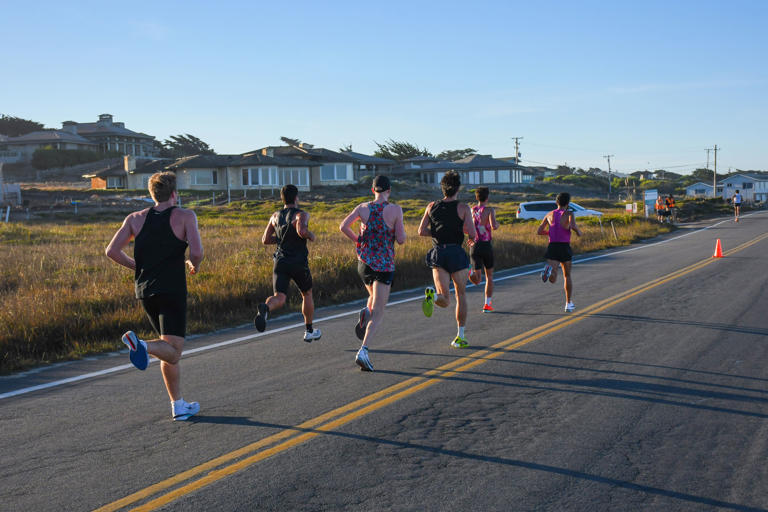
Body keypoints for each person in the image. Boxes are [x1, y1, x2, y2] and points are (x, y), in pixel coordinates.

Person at [105, 171, 204, 421]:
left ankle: (178, 405)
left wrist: (137, 267)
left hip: (145, 291)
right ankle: (141, 345)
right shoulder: (185, 215)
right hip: (171, 289)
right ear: (174, 194)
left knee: (166, 347)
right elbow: (198, 251)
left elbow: (112, 251)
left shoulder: (135, 219)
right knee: (174, 351)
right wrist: (194, 265)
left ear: (152, 194)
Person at [339, 175, 406, 371]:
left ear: (373, 190)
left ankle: (366, 312)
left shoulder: (362, 208)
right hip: (384, 266)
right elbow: (401, 239)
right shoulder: (395, 209)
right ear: (389, 190)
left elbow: (343, 226)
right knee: (379, 313)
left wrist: (358, 240)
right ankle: (364, 351)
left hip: (364, 264)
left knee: (373, 299)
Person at [253, 184, 321, 342]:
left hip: (280, 261)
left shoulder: (275, 216)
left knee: (280, 297)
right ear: (296, 198)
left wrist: (281, 238)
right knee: (307, 293)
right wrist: (311, 235)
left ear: (282, 199)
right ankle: (309, 330)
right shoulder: (301, 214)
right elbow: (302, 231)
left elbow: (265, 240)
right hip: (298, 262)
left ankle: (266, 308)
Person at [418, 170, 477, 348]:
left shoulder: (431, 206)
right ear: (458, 188)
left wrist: (436, 233)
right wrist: (466, 235)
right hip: (456, 253)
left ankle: (433, 295)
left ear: (442, 188)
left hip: (438, 253)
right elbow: (472, 234)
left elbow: (421, 231)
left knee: (444, 299)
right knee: (461, 295)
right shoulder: (463, 208)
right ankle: (460, 337)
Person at [537, 192, 582, 313]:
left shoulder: (549, 214)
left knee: (553, 279)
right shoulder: (569, 213)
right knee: (567, 275)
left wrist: (550, 233)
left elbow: (539, 231)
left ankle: (549, 270)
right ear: (568, 203)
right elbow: (572, 226)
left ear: (556, 202)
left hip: (552, 246)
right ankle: (568, 303)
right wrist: (578, 232)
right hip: (564, 246)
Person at [467, 186, 500, 312]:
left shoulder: (472, 210)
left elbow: (468, 227)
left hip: (474, 245)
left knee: (477, 280)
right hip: (486, 245)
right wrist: (498, 224)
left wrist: (470, 237)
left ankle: (469, 271)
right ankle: (487, 304)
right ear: (487, 197)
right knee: (489, 276)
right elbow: (493, 226)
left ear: (476, 197)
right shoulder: (489, 210)